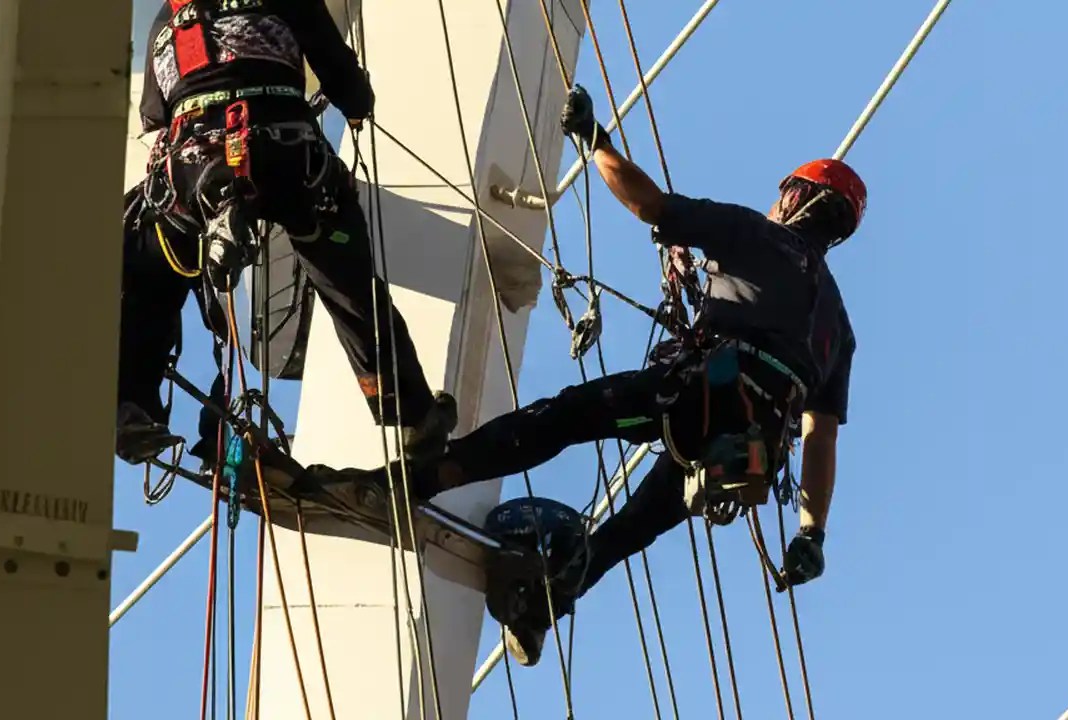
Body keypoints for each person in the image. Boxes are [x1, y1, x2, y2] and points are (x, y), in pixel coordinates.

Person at [306, 84, 865, 666]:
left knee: (564, 418)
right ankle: (537, 611)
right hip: (745, 450)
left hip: (698, 397)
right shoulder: (838, 326)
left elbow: (650, 205)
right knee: (630, 530)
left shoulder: (757, 234)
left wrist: (595, 141)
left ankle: (416, 481)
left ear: (799, 198)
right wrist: (811, 534)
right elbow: (820, 436)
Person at [116, 0, 456, 470]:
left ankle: (129, 406)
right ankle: (414, 415)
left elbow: (154, 115)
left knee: (147, 272)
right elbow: (344, 79)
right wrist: (357, 106)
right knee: (347, 286)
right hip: (286, 152)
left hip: (191, 167)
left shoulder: (169, 12)